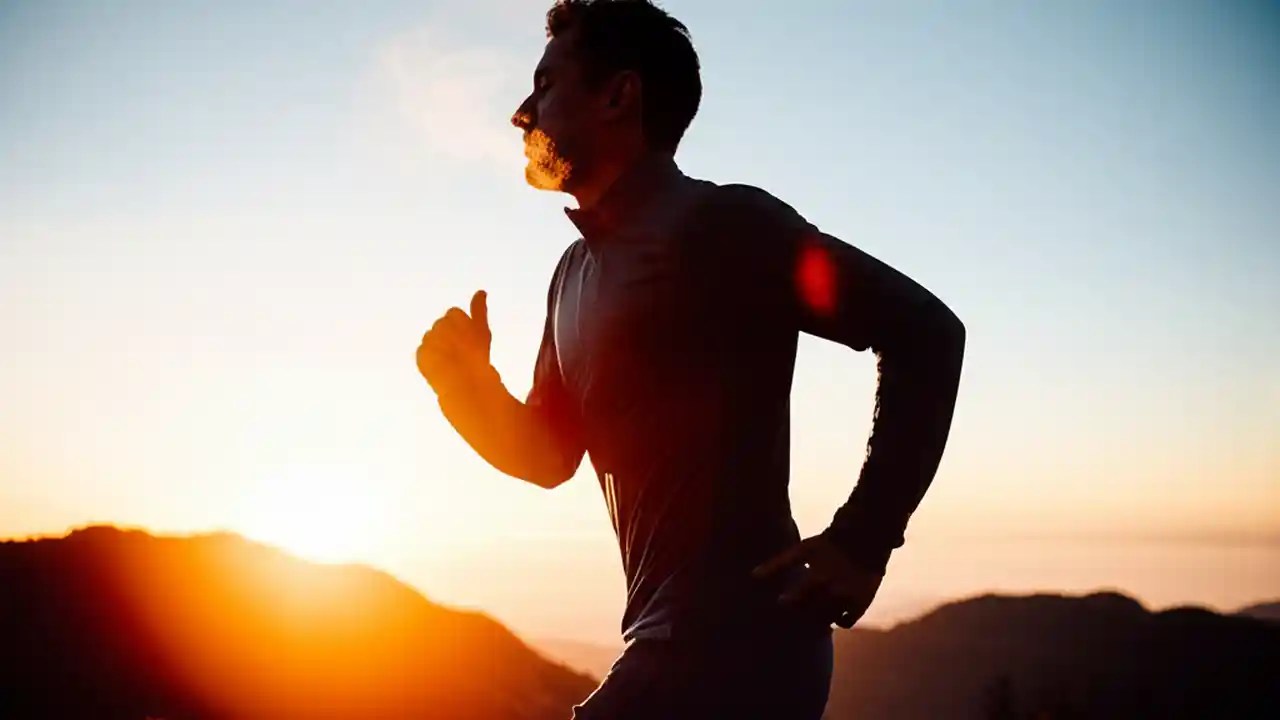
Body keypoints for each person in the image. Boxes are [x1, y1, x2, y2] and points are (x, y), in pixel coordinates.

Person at [415, 1, 966, 717]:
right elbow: (547, 454)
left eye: (546, 84)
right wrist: (465, 386)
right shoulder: (572, 274)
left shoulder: (724, 227)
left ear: (619, 95)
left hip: (740, 646)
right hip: (672, 647)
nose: (523, 112)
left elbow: (925, 330)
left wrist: (864, 539)